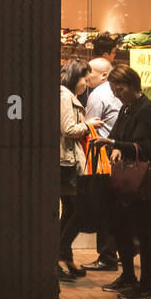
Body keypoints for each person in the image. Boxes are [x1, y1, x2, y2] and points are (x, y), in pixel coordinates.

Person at [102, 65, 151, 299]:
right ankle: (128, 276)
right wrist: (116, 147)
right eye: (113, 87)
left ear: (132, 85)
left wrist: (114, 142)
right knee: (121, 229)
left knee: (145, 234)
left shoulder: (146, 110)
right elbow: (121, 139)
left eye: (120, 87)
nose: (116, 91)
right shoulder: (126, 109)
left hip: (143, 182)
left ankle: (145, 285)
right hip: (126, 181)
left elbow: (146, 148)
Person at [83, 57, 123, 271]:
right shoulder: (113, 92)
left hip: (102, 152)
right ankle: (113, 252)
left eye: (91, 73)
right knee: (113, 204)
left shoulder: (98, 95)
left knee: (103, 204)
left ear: (105, 75)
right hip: (114, 151)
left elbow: (89, 129)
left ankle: (107, 255)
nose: (88, 77)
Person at [58, 60, 95, 281]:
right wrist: (91, 125)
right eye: (85, 79)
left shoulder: (68, 96)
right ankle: (60, 254)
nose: (86, 84)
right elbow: (68, 129)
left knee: (72, 210)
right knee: (78, 210)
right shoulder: (64, 97)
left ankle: (64, 256)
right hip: (66, 162)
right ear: (75, 77)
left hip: (69, 160)